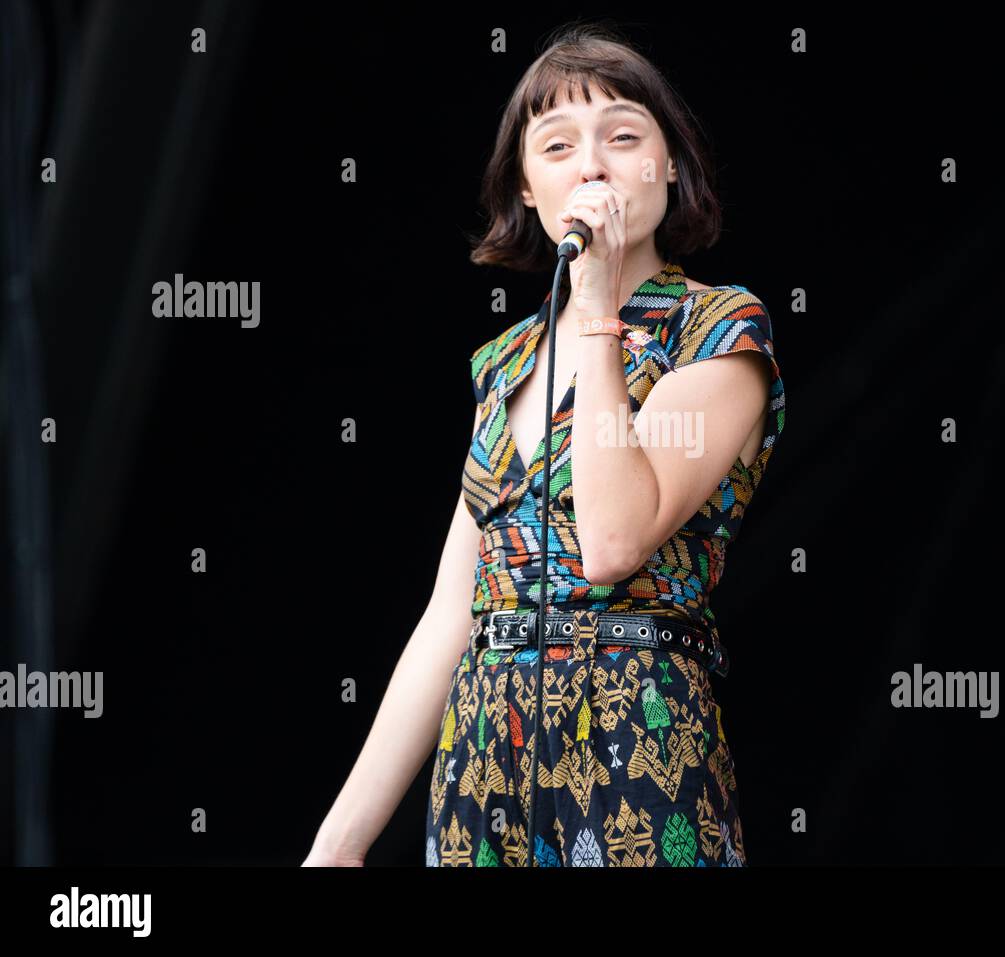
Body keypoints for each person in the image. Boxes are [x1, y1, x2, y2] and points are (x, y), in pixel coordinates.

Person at [304, 22, 785, 868]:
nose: (592, 163)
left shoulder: (717, 330)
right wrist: (339, 843)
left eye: (624, 136)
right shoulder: (505, 366)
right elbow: (454, 613)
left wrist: (596, 306)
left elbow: (610, 540)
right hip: (483, 752)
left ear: (669, 166)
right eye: (557, 145)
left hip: (637, 733)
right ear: (528, 189)